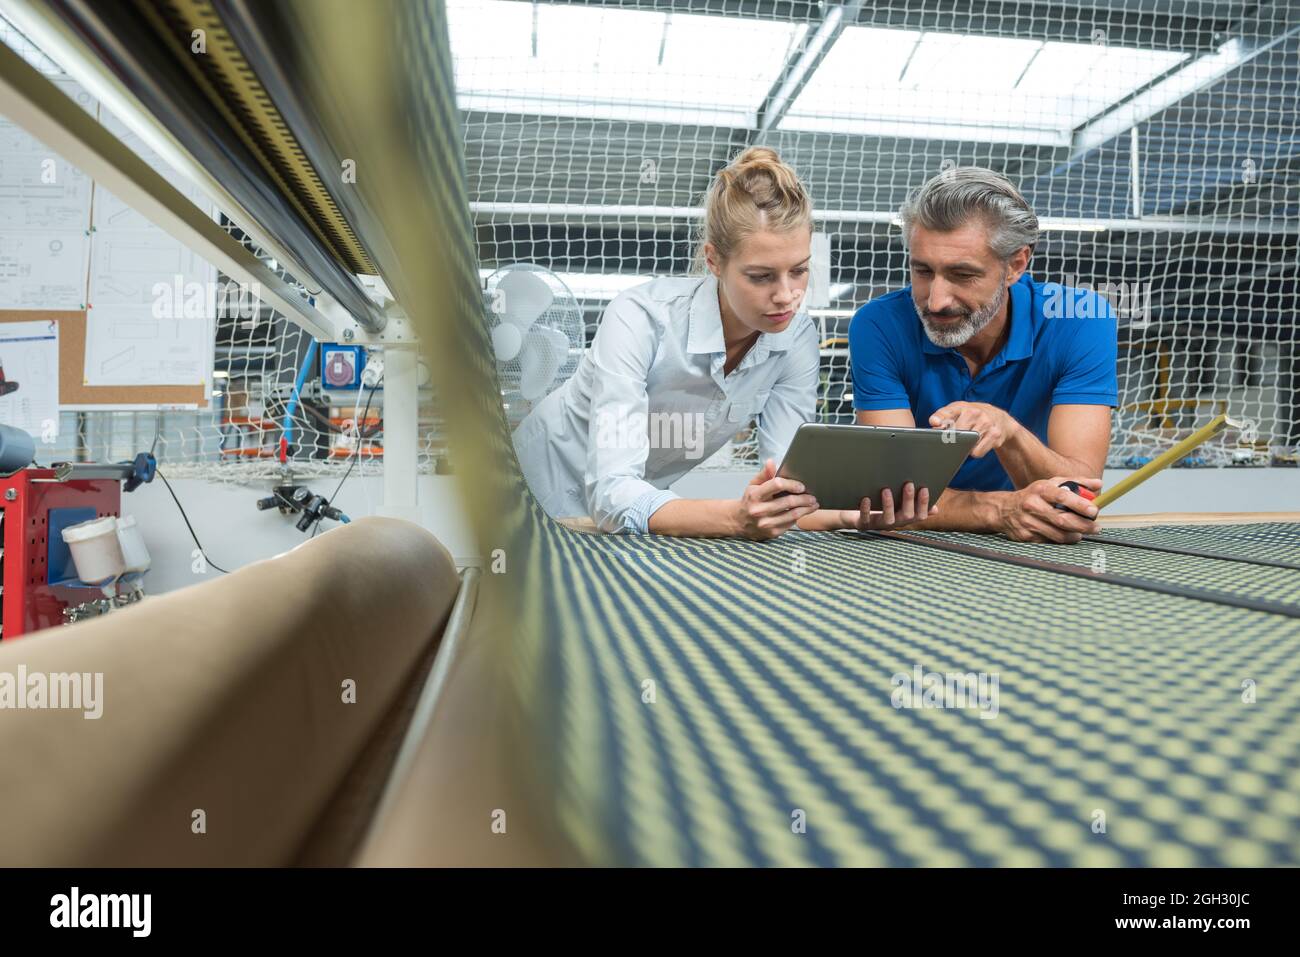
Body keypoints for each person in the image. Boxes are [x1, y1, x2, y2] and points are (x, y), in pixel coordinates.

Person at [514, 146, 933, 538]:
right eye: (761, 276)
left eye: (799, 271)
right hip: (522, 491)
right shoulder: (639, 318)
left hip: (628, 513)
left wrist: (855, 516)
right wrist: (736, 517)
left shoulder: (797, 338)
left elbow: (788, 486)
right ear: (714, 260)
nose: (787, 295)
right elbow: (610, 496)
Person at [849, 167, 1117, 543]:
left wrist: (1008, 433)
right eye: (923, 271)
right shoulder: (877, 325)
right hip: (916, 549)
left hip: (1033, 547)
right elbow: (889, 496)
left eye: (962, 274)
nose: (936, 300)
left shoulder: (1079, 318)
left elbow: (1077, 494)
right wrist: (999, 510)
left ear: (1016, 266)